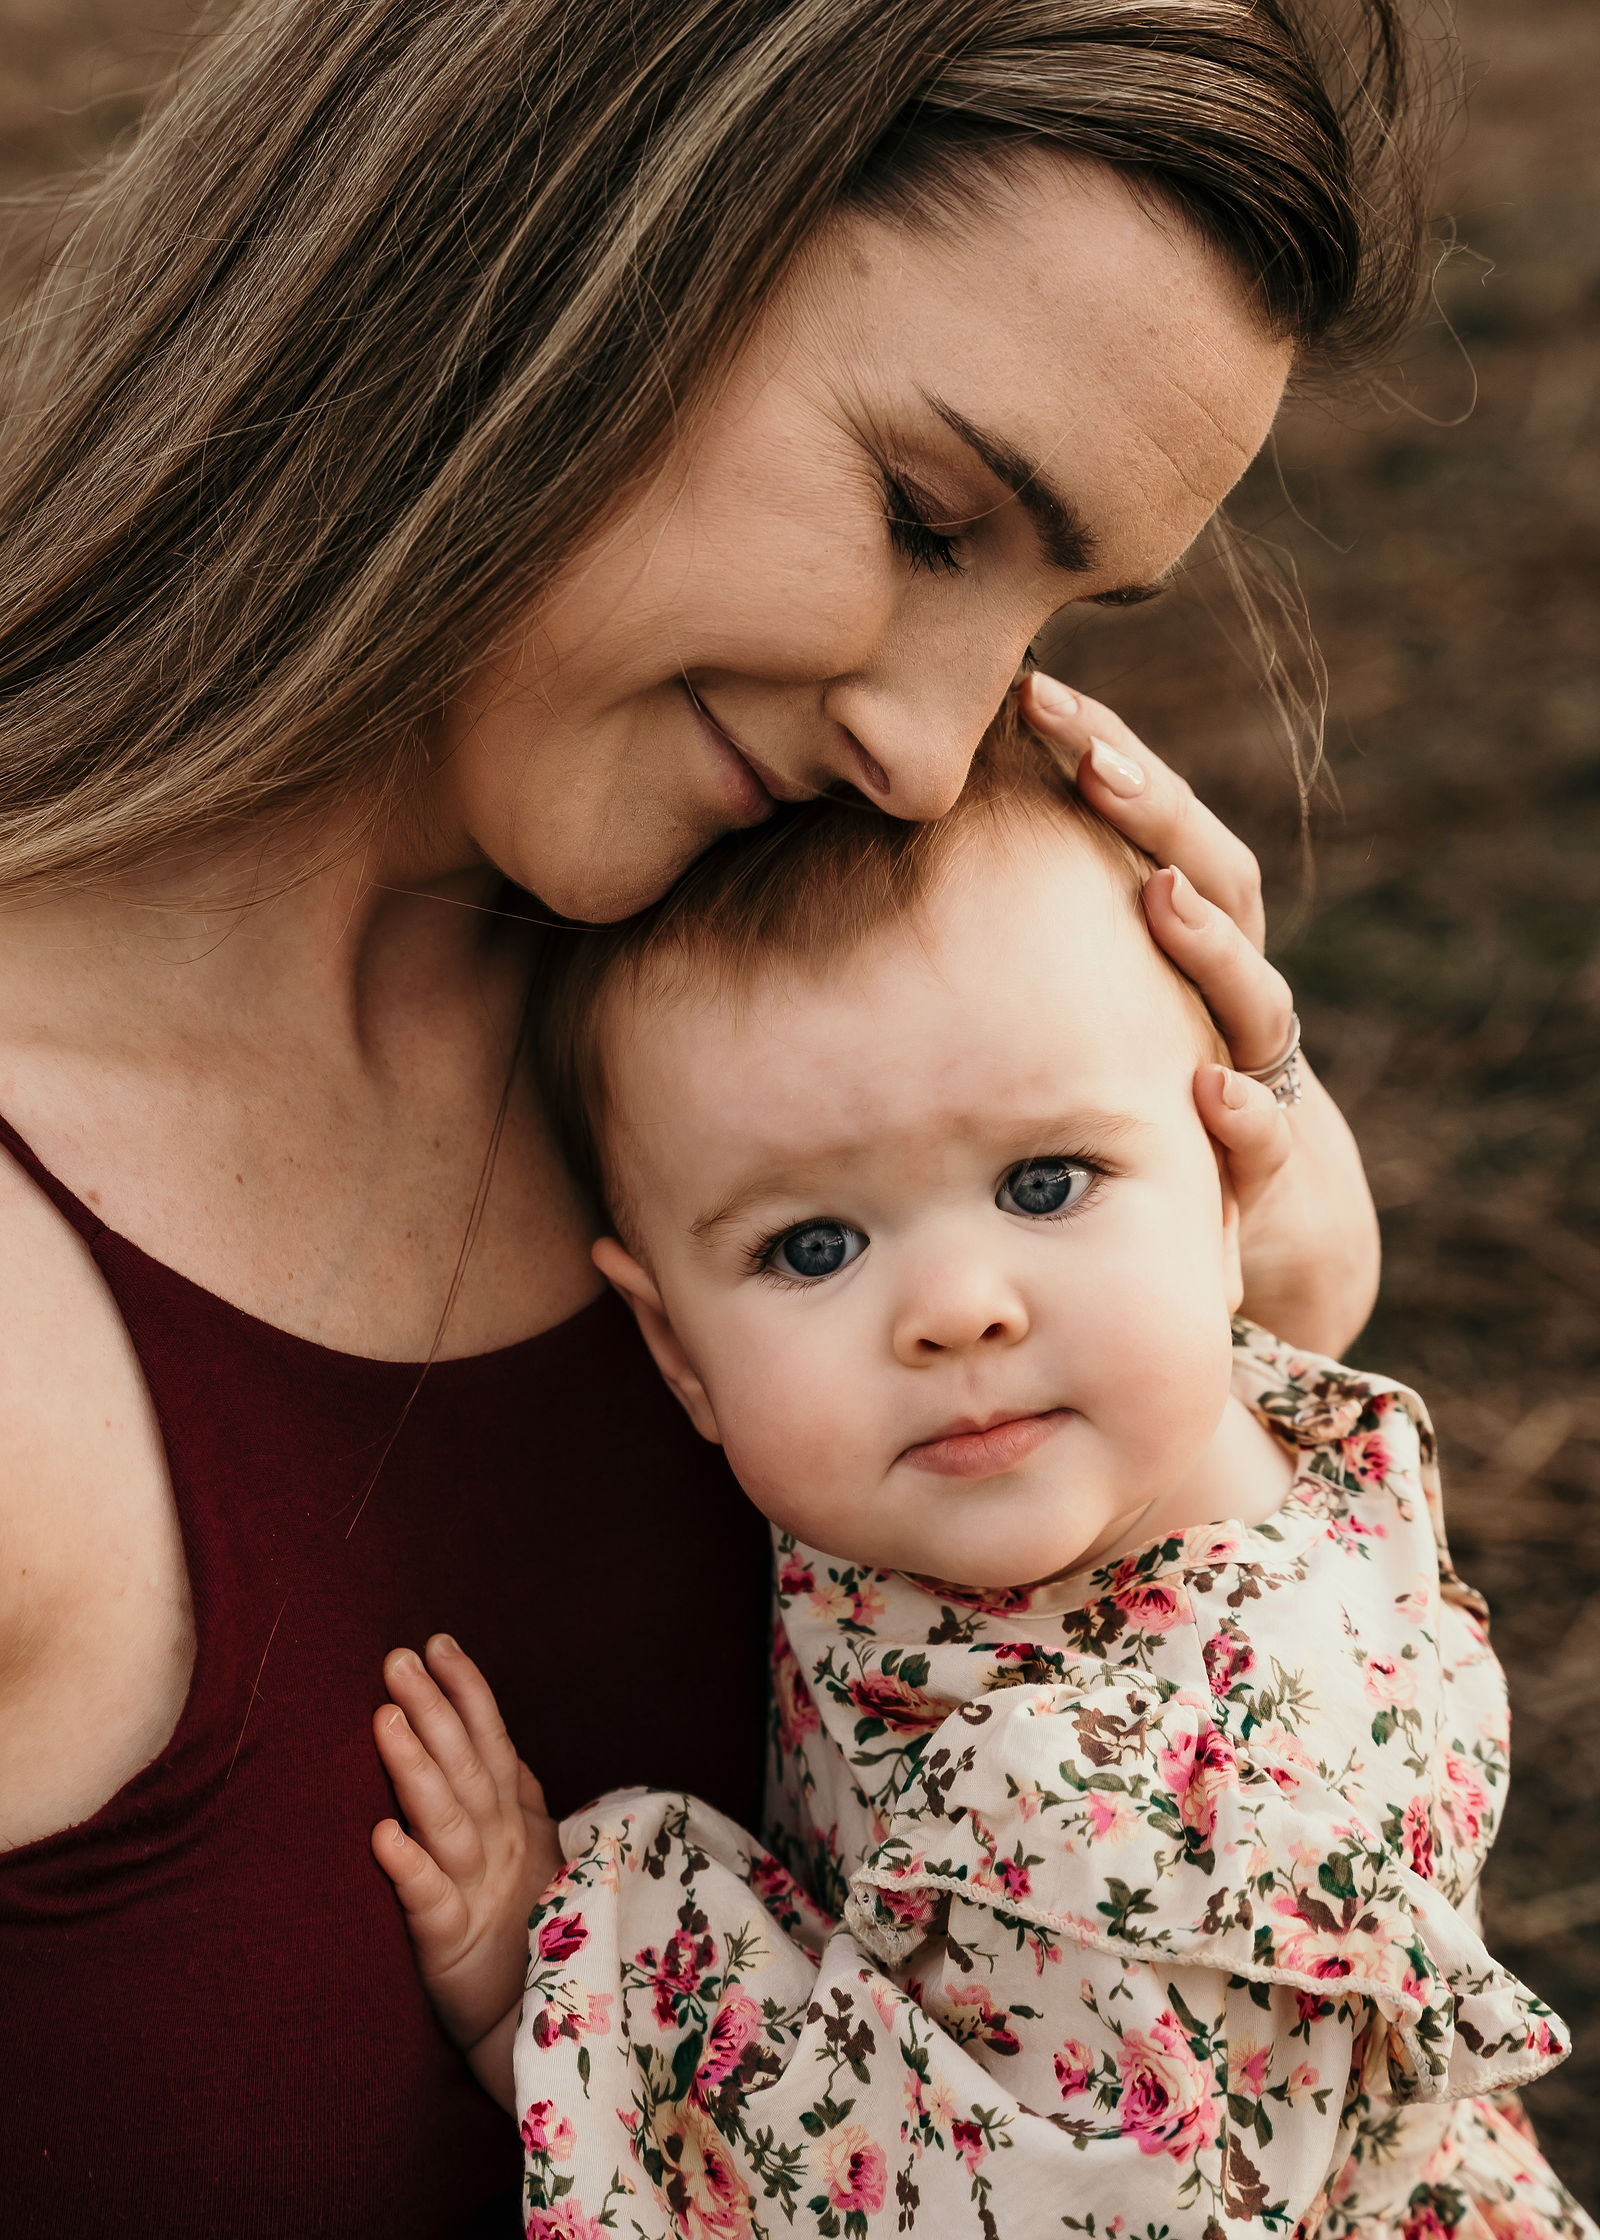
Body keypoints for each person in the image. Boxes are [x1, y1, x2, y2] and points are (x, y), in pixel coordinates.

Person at [0, 0, 1432, 2230]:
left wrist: (1252, 1254)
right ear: (542, 238)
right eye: (927, 516)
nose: (931, 754)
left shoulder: (775, 1068)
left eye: (1047, 613)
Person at [370, 711, 1591, 2237]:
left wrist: (549, 1985)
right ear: (676, 1347)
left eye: (1045, 1182)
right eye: (815, 1246)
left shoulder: (1103, 1834)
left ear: (1229, 1196)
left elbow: (944, 2201)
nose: (957, 1309)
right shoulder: (1219, 1427)